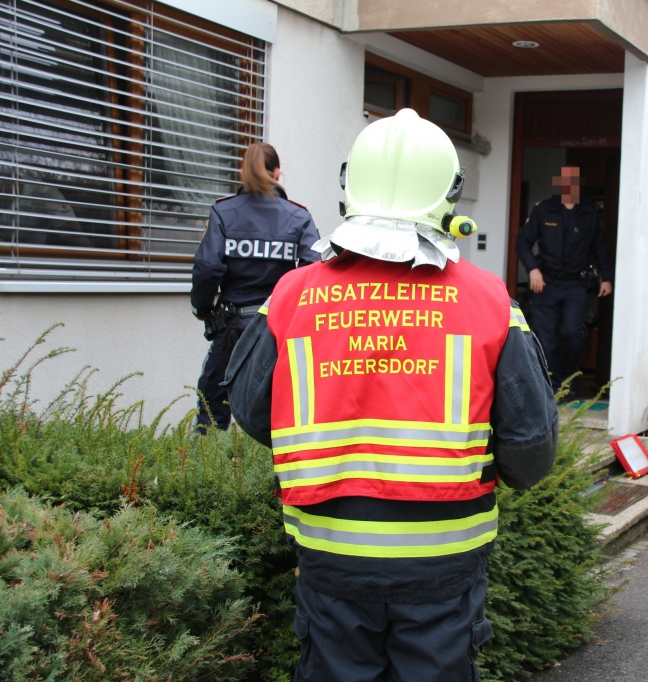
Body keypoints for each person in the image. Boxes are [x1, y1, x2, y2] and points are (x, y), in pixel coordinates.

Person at [223, 108, 558, 681]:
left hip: (332, 564)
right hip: (443, 572)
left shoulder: (291, 295)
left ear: (349, 186)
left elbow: (254, 415)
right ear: (449, 198)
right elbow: (531, 451)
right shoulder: (488, 301)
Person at [191, 143, 320, 432]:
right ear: (277, 172)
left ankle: (205, 467)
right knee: (281, 410)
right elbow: (314, 271)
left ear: (243, 171)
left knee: (211, 410)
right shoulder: (298, 217)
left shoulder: (223, 212)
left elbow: (208, 268)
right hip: (276, 332)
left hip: (231, 329)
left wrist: (202, 309)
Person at [515, 166, 614, 393]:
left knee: (572, 332)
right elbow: (522, 242)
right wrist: (532, 270)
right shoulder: (544, 210)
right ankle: (553, 386)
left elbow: (600, 249)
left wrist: (606, 278)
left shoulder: (589, 213)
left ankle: (570, 378)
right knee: (546, 339)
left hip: (575, 285)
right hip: (546, 283)